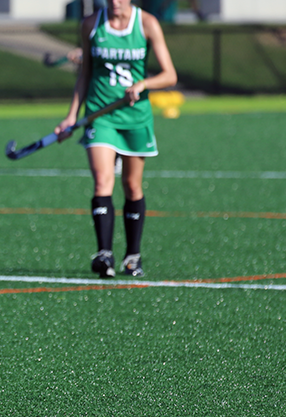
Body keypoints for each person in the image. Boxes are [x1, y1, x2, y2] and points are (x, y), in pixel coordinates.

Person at [55, 0, 176, 278]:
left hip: (135, 117)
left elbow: (170, 74)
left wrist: (144, 84)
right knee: (102, 180)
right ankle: (104, 255)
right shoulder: (90, 25)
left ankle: (132, 256)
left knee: (132, 185)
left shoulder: (146, 24)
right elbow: (85, 73)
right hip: (101, 115)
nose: (115, 2)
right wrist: (71, 116)